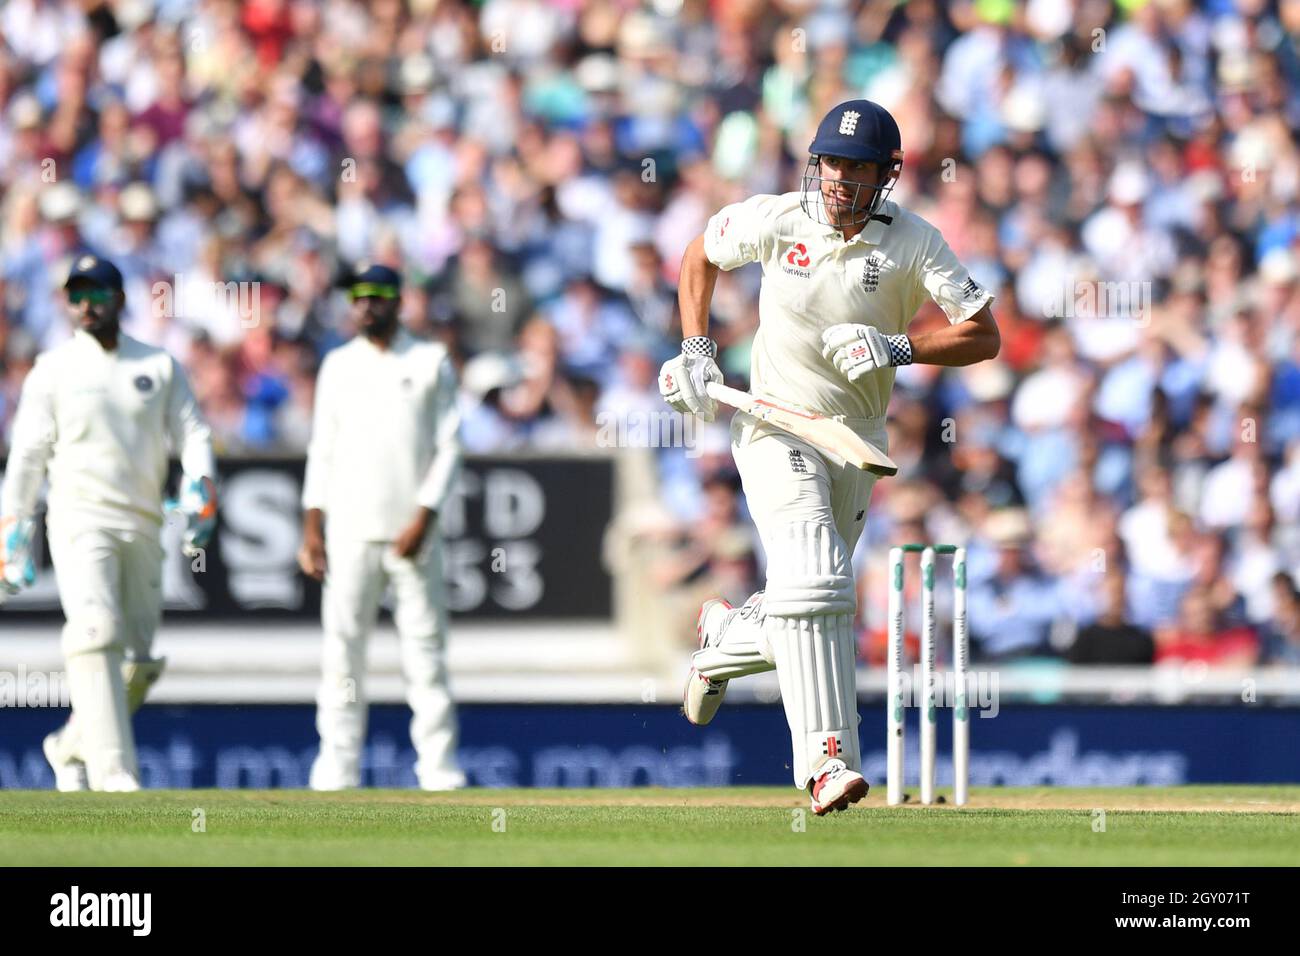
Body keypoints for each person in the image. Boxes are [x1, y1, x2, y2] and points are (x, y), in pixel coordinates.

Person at [661, 100, 1000, 814]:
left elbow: (983, 335)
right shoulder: (780, 217)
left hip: (856, 443)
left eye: (857, 167)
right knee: (818, 578)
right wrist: (696, 348)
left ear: (887, 174)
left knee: (811, 598)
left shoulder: (915, 242)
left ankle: (724, 637)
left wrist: (896, 347)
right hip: (774, 424)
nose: (841, 178)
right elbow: (699, 254)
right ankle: (824, 762)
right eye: (832, 163)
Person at [0, 254, 217, 791]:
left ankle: (70, 745)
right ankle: (115, 773)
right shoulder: (53, 369)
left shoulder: (159, 366)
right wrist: (12, 525)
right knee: (96, 631)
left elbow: (193, 435)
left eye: (96, 293)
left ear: (120, 298)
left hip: (142, 523)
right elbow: (28, 455)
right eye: (76, 295)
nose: (85, 304)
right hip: (79, 518)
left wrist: (201, 488)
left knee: (138, 663)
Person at [298, 263, 466, 791]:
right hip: (349, 531)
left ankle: (438, 767)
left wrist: (424, 514)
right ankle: (337, 766)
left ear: (398, 300)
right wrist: (312, 527)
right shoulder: (337, 365)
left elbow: (449, 446)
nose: (366, 304)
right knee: (342, 652)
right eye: (358, 296)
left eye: (377, 295)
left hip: (412, 534)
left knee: (425, 652)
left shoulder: (430, 359)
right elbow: (321, 449)